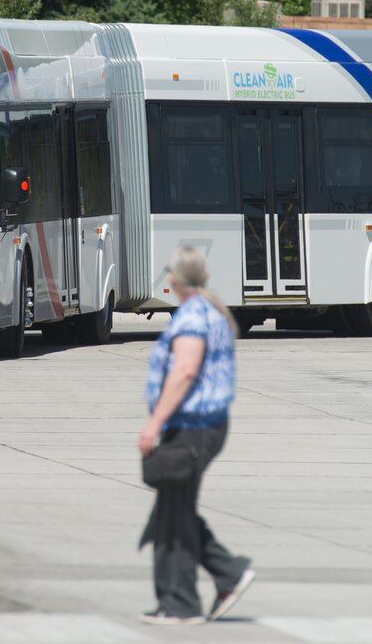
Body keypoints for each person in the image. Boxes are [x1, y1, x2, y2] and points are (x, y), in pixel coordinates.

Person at [138, 246, 255, 625]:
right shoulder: (212, 312)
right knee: (173, 511)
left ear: (174, 280)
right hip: (203, 426)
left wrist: (155, 423)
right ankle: (207, 584)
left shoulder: (192, 317)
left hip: (193, 427)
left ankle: (185, 601)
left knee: (175, 513)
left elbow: (185, 371)